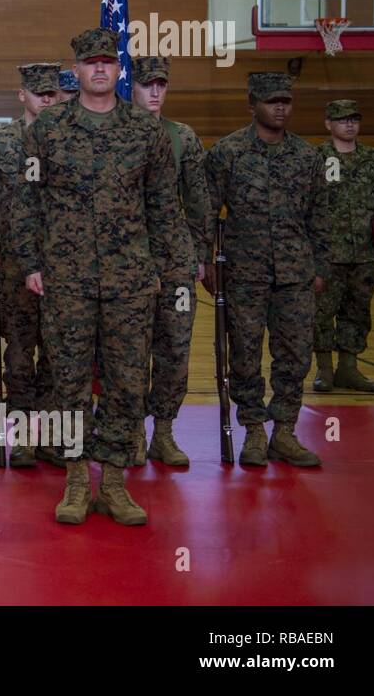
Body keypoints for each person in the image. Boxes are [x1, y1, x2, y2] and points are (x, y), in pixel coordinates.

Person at [19, 29, 181, 526]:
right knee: (68, 382)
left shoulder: (146, 131)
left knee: (127, 381)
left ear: (118, 69)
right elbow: (27, 203)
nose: (99, 70)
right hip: (66, 280)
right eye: (90, 63)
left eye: (108, 62)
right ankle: (73, 481)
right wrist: (30, 263)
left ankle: (112, 483)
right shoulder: (46, 131)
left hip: (130, 279)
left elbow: (163, 206)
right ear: (78, 69)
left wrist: (167, 270)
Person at [205, 72, 330, 467]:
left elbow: (321, 218)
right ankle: (255, 431)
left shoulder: (308, 158)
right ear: (252, 105)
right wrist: (205, 260)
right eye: (272, 101)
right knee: (244, 354)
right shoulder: (228, 153)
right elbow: (206, 211)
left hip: (296, 275)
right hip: (245, 273)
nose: (280, 107)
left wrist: (320, 267)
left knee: (294, 356)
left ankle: (285, 432)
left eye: (286, 101)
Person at [129, 56, 213, 467]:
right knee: (126, 351)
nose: (156, 92)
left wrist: (200, 254)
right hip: (128, 261)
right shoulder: (118, 133)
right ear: (133, 87)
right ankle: (128, 433)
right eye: (148, 85)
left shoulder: (183, 137)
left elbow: (199, 202)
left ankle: (163, 431)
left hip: (176, 261)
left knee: (175, 349)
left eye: (162, 84)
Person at [0, 62, 59, 468]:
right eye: (38, 92)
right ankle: (24, 434)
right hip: (12, 269)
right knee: (19, 355)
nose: (46, 99)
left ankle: (51, 436)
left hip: (63, 266)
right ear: (21, 95)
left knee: (59, 355)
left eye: (52, 92)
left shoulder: (68, 140)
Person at [312, 99, 374, 393]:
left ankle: (348, 369)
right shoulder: (315, 159)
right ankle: (324, 371)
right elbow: (308, 206)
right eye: (342, 120)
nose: (349, 124)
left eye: (354, 119)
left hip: (363, 253)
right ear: (329, 124)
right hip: (328, 254)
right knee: (321, 313)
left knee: (357, 311)